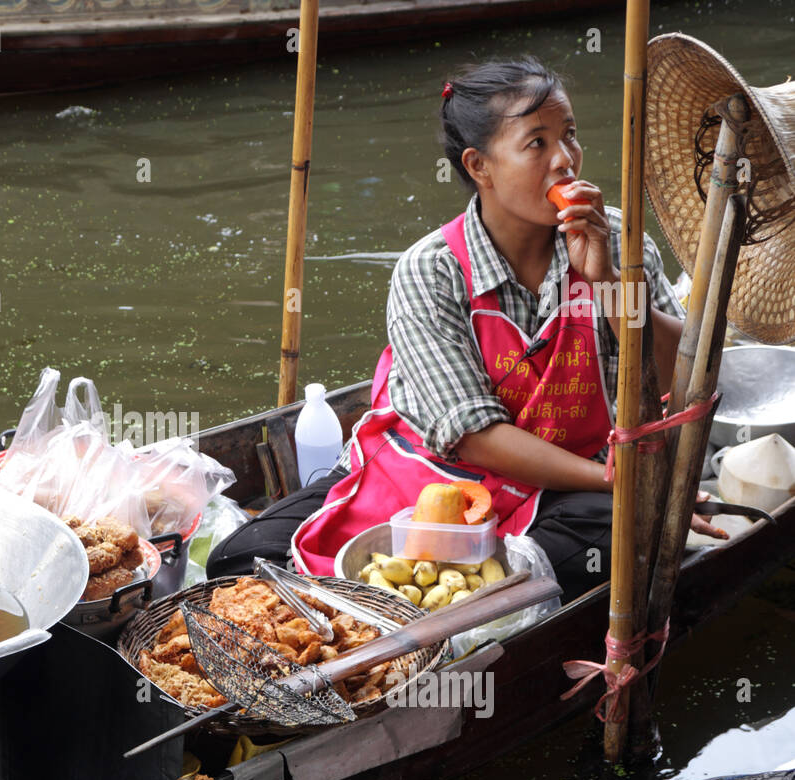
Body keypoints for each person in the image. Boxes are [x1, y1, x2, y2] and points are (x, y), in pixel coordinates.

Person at [208, 57, 725, 602]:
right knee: (243, 557)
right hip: (439, 473)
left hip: (568, 482)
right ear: (480, 166)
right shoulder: (431, 269)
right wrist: (619, 483)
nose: (565, 160)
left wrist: (608, 282)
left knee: (616, 536)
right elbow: (473, 437)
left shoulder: (618, 240)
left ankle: (484, 593)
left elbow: (683, 378)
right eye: (537, 144)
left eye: (570, 137)